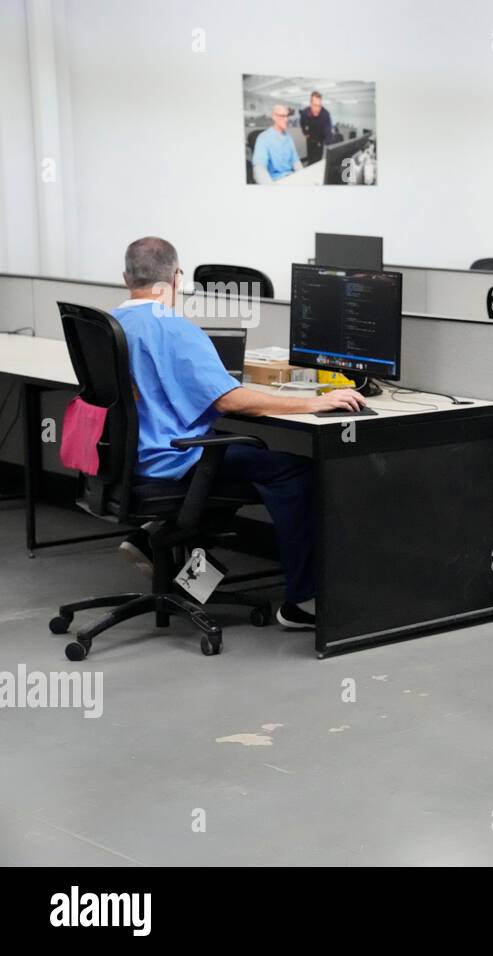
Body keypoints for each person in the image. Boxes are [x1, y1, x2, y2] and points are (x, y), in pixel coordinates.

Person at [111, 237, 368, 629]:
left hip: (132, 461)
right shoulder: (175, 330)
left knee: (246, 454)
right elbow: (230, 402)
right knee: (293, 471)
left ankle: (161, 544)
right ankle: (302, 601)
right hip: (174, 461)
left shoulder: (109, 324)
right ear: (177, 279)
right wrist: (314, 402)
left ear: (126, 277)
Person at [250, 104, 302, 183]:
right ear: (274, 117)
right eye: (282, 116)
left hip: (290, 177)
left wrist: (303, 176)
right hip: (275, 181)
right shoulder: (263, 138)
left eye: (287, 116)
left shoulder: (289, 138)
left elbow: (296, 162)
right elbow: (259, 169)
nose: (286, 119)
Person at [298, 92, 332, 166]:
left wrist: (328, 146)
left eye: (319, 106)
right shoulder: (305, 112)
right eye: (315, 105)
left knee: (318, 162)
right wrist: (305, 133)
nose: (317, 109)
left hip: (320, 141)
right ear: (310, 104)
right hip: (310, 140)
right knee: (310, 160)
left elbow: (328, 131)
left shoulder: (325, 114)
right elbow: (302, 123)